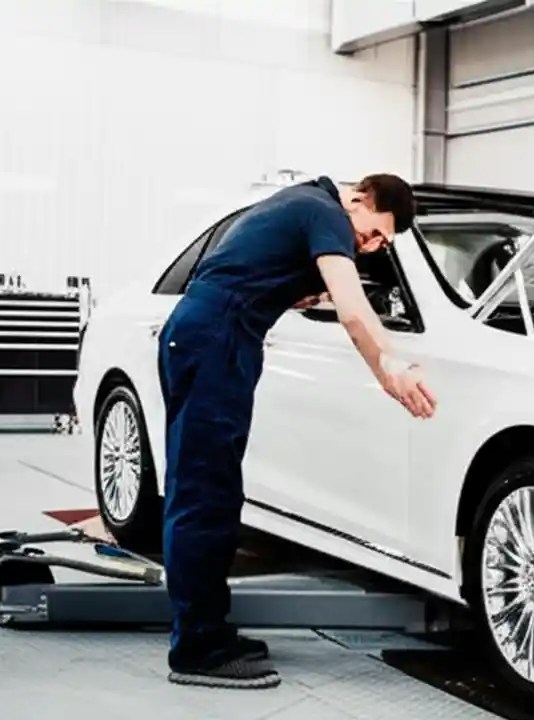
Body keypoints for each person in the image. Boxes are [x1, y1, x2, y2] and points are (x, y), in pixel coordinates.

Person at [156, 174, 436, 689]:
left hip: (214, 334)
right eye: (375, 234)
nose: (371, 248)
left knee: (212, 489)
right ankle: (197, 648)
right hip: (217, 337)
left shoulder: (300, 203)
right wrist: (390, 368)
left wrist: (286, 290)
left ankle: (207, 628)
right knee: (204, 493)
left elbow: (242, 269)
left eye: (381, 246)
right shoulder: (326, 212)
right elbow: (354, 311)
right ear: (359, 200)